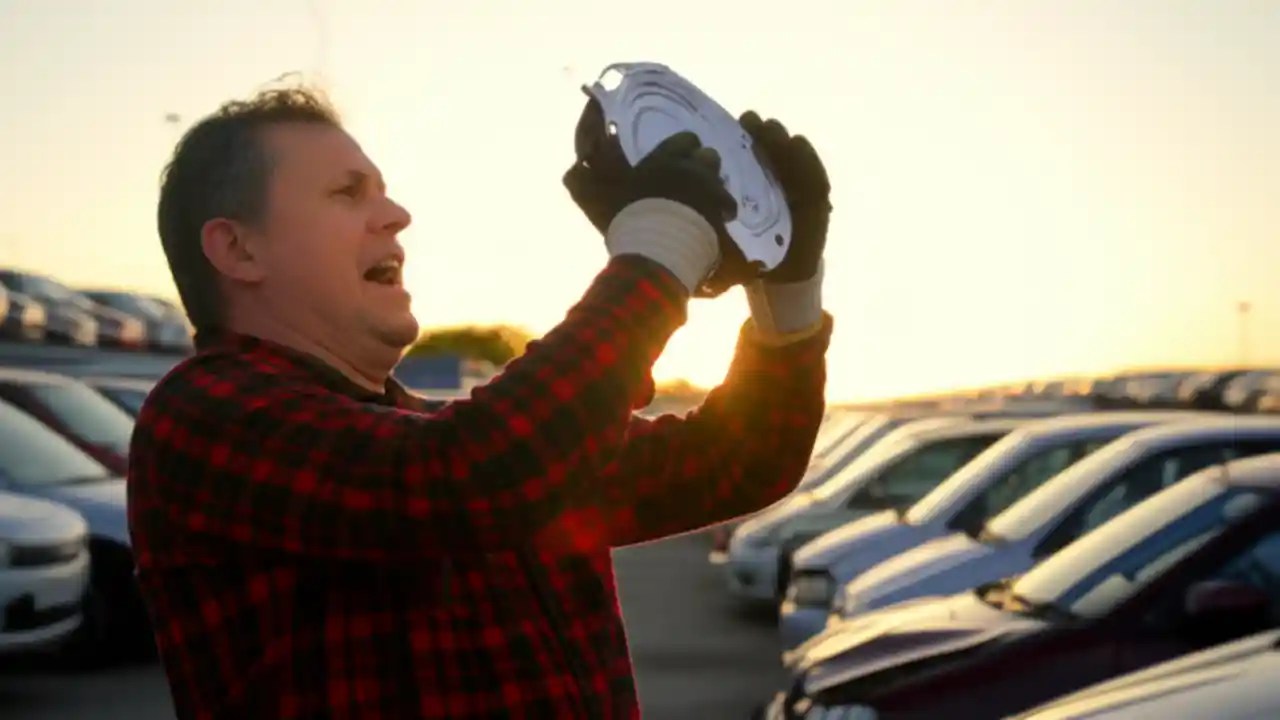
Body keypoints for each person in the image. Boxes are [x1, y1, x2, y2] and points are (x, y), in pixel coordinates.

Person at [128, 83, 833, 719]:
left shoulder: (445, 435)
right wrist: (659, 250)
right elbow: (463, 478)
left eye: (383, 193)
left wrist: (787, 297)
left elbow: (743, 459)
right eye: (348, 193)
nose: (397, 215)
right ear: (238, 250)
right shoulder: (202, 416)